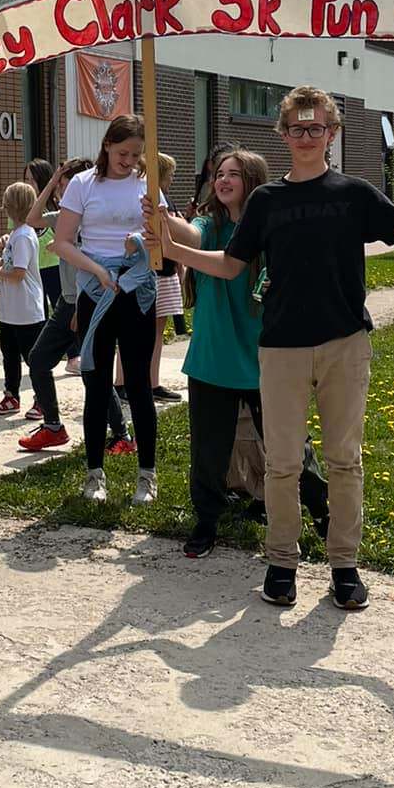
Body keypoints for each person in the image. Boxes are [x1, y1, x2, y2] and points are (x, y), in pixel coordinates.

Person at [159, 84, 394, 611]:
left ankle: (344, 567)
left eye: (317, 128)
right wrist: (173, 249)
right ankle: (282, 563)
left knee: (344, 461)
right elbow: (229, 264)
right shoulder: (265, 200)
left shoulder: (353, 193)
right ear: (282, 134)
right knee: (281, 463)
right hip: (281, 348)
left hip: (344, 343)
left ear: (332, 133)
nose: (306, 136)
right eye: (296, 128)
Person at [157, 147, 329, 558]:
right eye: (219, 172)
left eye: (233, 173)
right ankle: (206, 520)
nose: (223, 179)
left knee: (289, 444)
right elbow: (192, 235)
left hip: (267, 358)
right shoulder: (209, 222)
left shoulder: (269, 227)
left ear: (252, 180)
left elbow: (231, 264)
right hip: (213, 358)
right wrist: (163, 219)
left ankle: (323, 511)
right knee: (208, 450)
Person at [54, 113, 160, 506]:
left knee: (138, 384)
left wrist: (147, 233)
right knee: (95, 385)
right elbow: (63, 242)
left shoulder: (146, 186)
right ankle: (94, 475)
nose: (129, 161)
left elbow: (161, 236)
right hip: (95, 290)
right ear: (107, 145)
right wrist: (97, 270)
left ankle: (147, 475)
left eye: (135, 154)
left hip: (136, 291)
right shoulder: (83, 184)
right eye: (122, 152)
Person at [18, 158, 129, 454]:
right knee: (39, 360)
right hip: (67, 304)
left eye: (69, 185)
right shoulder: (64, 216)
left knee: (94, 372)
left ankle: (122, 436)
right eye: (63, 187)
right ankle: (53, 427)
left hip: (89, 303)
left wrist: (83, 309)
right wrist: (52, 180)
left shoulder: (95, 219)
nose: (63, 191)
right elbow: (32, 218)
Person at [0, 183, 45, 417]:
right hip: (10, 311)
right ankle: (11, 396)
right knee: (10, 355)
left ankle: (42, 399)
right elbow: (2, 264)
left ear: (10, 206)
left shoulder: (23, 236)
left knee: (32, 358)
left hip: (26, 310)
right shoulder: (16, 234)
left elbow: (18, 273)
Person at [150, 150, 184, 402]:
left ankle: (126, 382)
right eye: (170, 174)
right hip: (160, 274)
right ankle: (151, 382)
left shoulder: (162, 200)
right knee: (153, 334)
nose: (172, 179)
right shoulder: (161, 202)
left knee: (150, 334)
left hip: (164, 272)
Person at [23, 159, 60, 312]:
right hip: (32, 267)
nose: (29, 184)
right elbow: (13, 233)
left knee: (60, 308)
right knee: (39, 312)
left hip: (54, 266)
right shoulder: (21, 205)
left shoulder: (55, 203)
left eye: (34, 180)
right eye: (26, 179)